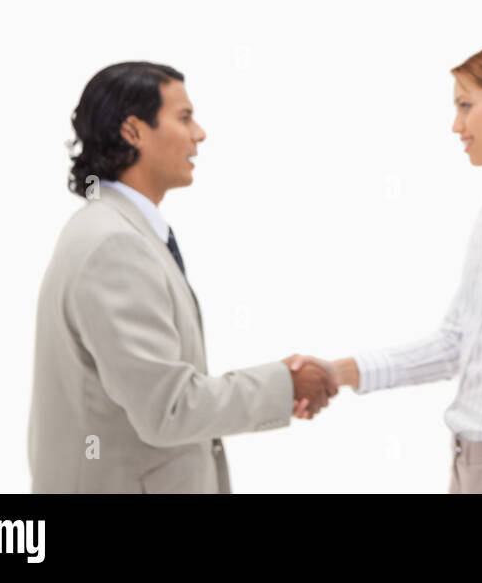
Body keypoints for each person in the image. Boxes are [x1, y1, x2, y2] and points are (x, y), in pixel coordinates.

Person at [292, 44, 482, 493]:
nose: (457, 126)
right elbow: (455, 342)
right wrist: (342, 371)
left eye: (466, 106)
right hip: (472, 466)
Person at [28, 61, 337, 493]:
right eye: (184, 118)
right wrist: (284, 385)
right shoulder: (113, 246)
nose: (200, 134)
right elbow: (168, 409)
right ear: (133, 131)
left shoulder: (116, 231)